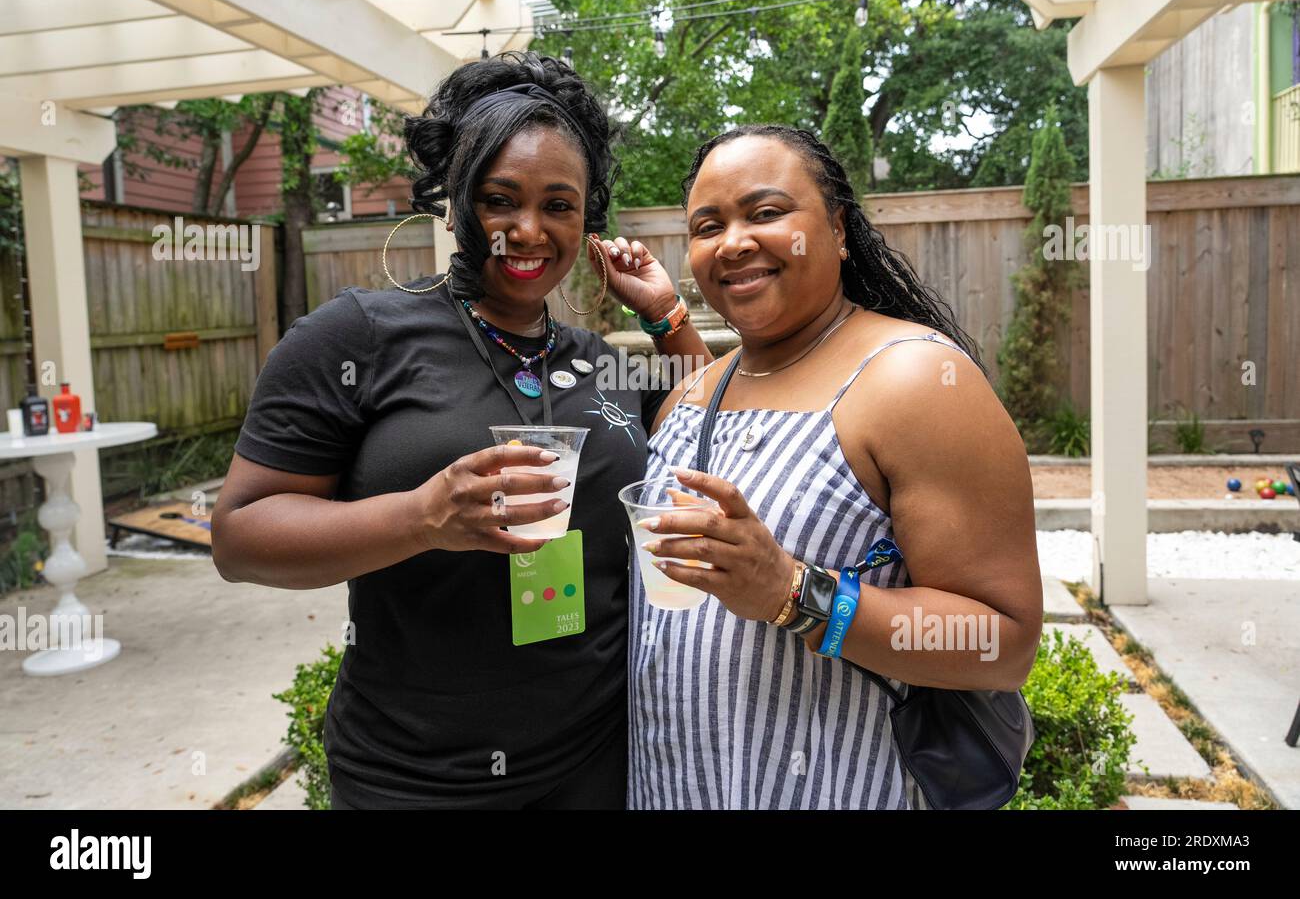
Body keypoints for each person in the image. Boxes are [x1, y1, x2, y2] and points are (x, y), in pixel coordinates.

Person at [211, 51, 710, 809]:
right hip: (416, 778)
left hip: (599, 763)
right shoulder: (356, 337)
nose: (528, 231)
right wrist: (421, 517)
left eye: (560, 206)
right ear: (453, 201)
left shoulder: (598, 360)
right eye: (498, 199)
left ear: (587, 220)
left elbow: (712, 427)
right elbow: (239, 537)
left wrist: (668, 315)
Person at [630, 124, 1043, 809]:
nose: (733, 242)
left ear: (840, 228)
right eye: (708, 225)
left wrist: (791, 591)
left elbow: (1002, 644)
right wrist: (666, 319)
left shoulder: (913, 379)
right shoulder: (692, 393)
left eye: (765, 213)